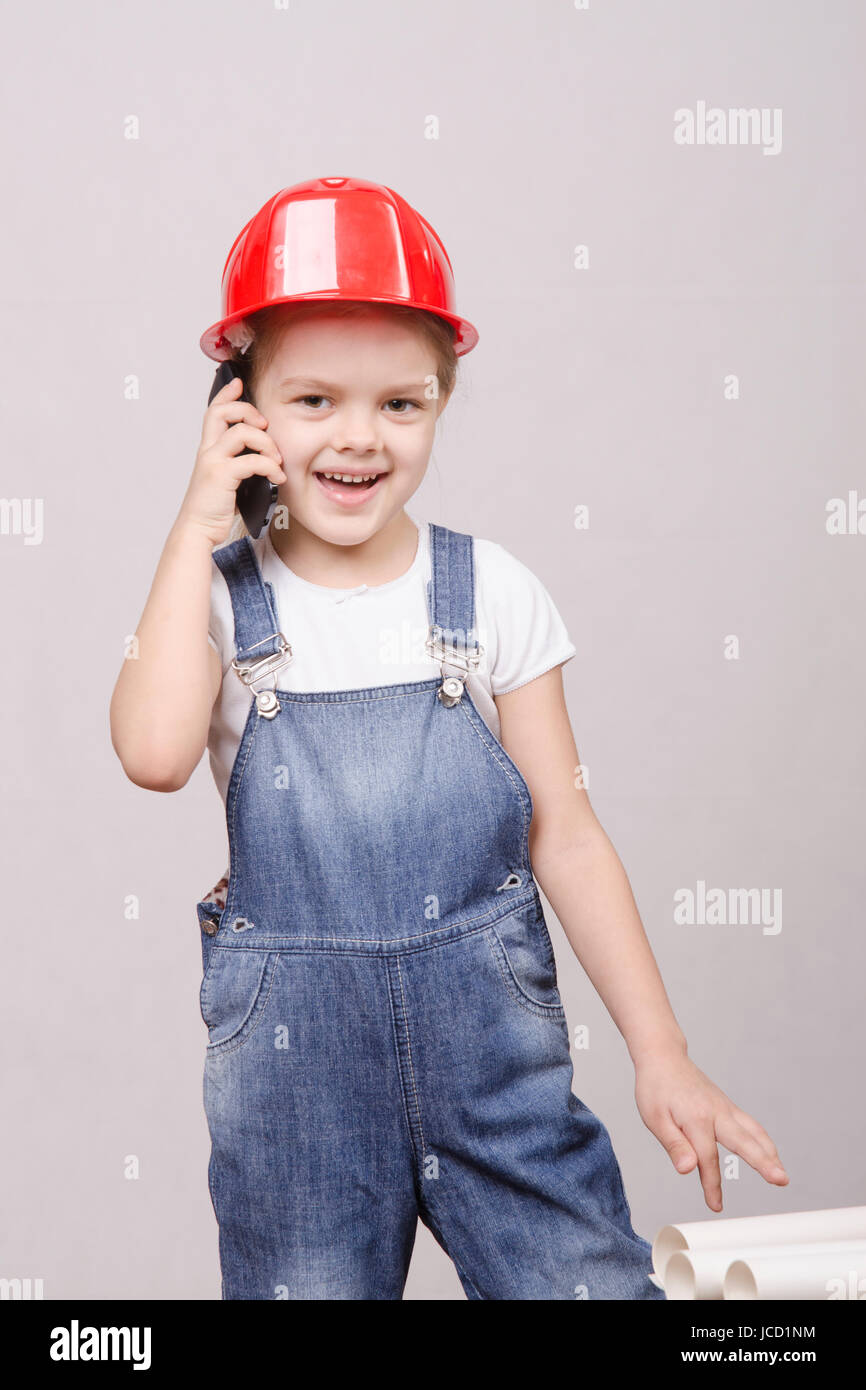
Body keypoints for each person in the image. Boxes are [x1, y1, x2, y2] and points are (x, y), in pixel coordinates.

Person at [110, 177, 788, 1301]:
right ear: (239, 405)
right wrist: (196, 521)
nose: (357, 438)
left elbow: (564, 834)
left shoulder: (491, 592)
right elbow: (151, 751)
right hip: (301, 1098)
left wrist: (657, 1053)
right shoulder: (220, 602)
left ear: (441, 400)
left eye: (400, 404)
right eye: (312, 399)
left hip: (496, 1079)